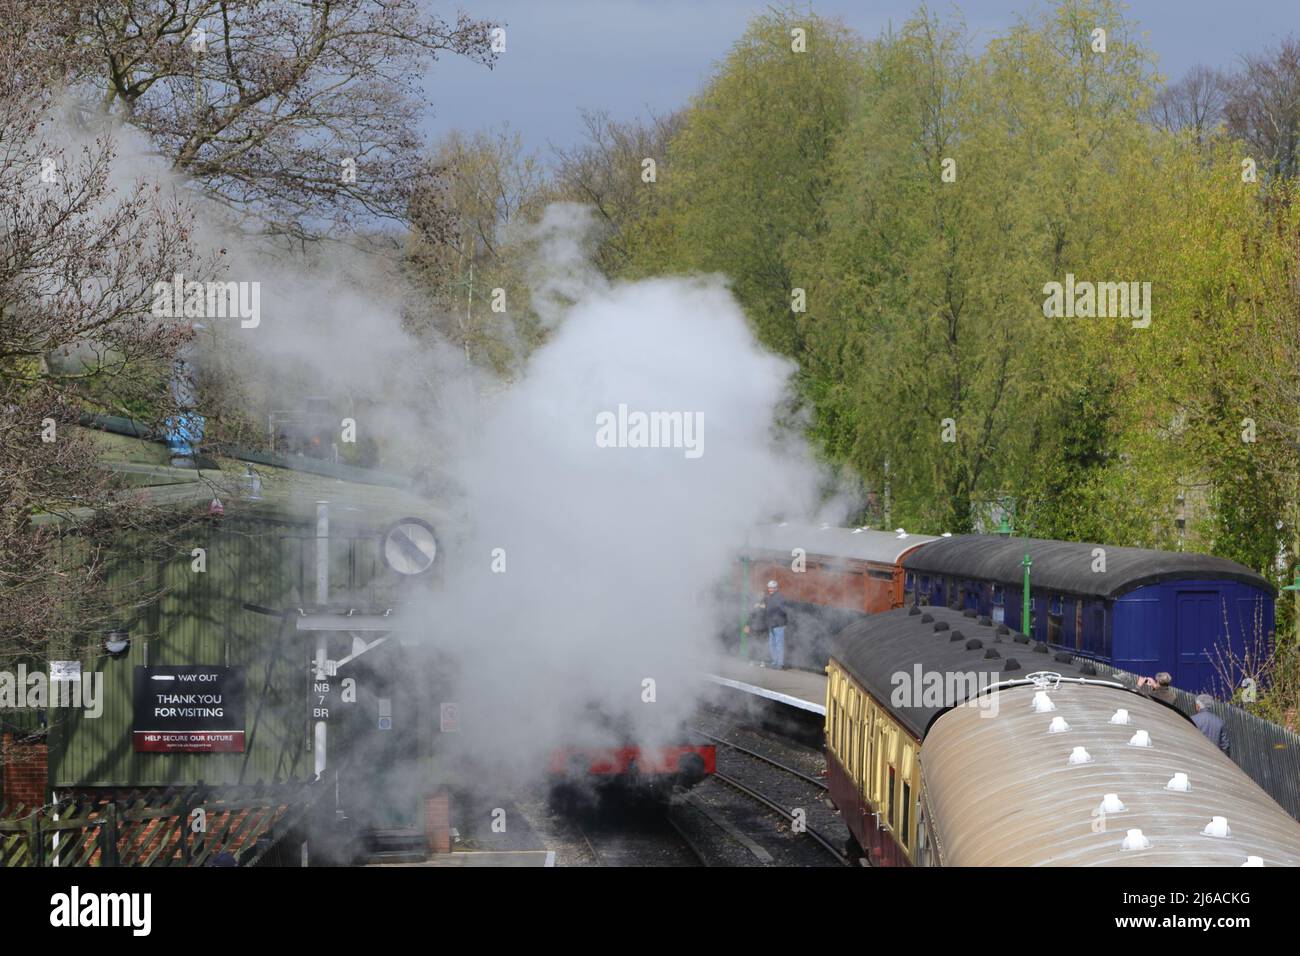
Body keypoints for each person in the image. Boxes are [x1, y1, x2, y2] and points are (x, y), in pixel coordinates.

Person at [764, 580, 788, 670]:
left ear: (776, 588)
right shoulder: (769, 597)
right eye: (769, 588)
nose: (771, 589)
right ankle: (775, 662)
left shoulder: (779, 598)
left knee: (778, 644)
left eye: (772, 588)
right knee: (772, 644)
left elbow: (784, 610)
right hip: (772, 624)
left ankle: (780, 663)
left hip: (778, 624)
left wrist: (784, 622)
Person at [742, 599, 768, 666]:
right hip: (754, 629)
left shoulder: (765, 608)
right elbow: (750, 616)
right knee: (753, 645)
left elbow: (768, 617)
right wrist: (747, 625)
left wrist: (764, 608)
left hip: (763, 629)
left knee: (762, 646)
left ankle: (762, 661)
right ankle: (752, 660)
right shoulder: (754, 608)